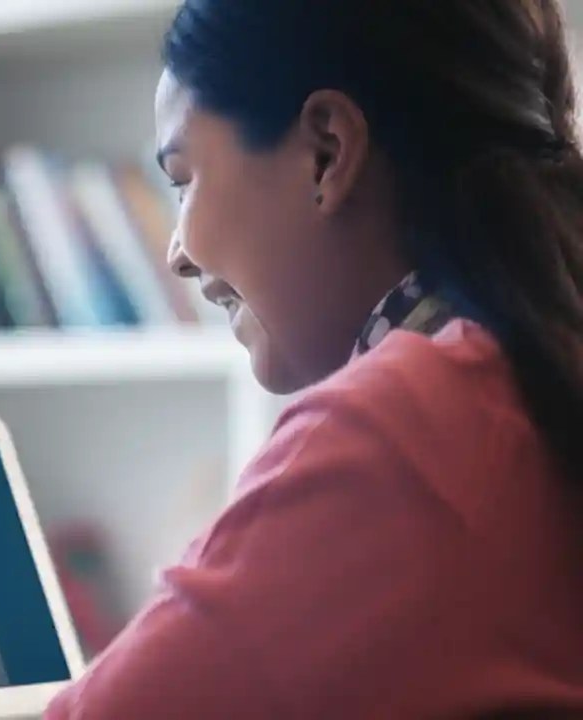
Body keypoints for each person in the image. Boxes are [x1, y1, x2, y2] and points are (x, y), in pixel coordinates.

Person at [47, 1, 583, 717]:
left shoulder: (398, 431)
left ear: (327, 152)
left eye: (184, 180)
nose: (174, 252)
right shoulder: (530, 372)